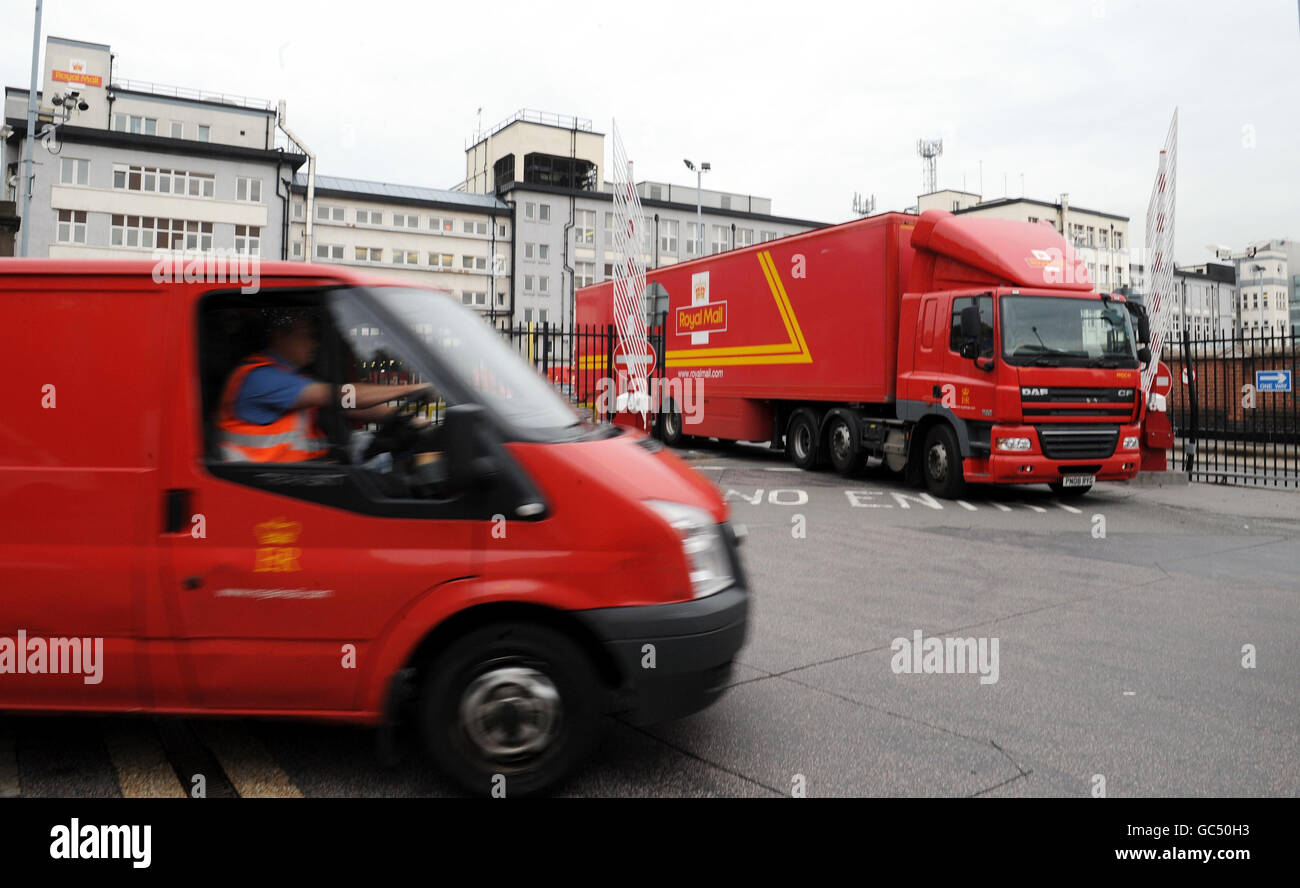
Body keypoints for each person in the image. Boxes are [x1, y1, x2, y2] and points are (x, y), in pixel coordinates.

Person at [217, 308, 431, 463]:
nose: (315, 344)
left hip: (301, 476)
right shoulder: (262, 377)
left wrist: (406, 417)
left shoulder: (290, 375)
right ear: (282, 336)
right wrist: (409, 388)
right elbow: (341, 396)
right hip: (266, 488)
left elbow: (350, 407)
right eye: (309, 336)